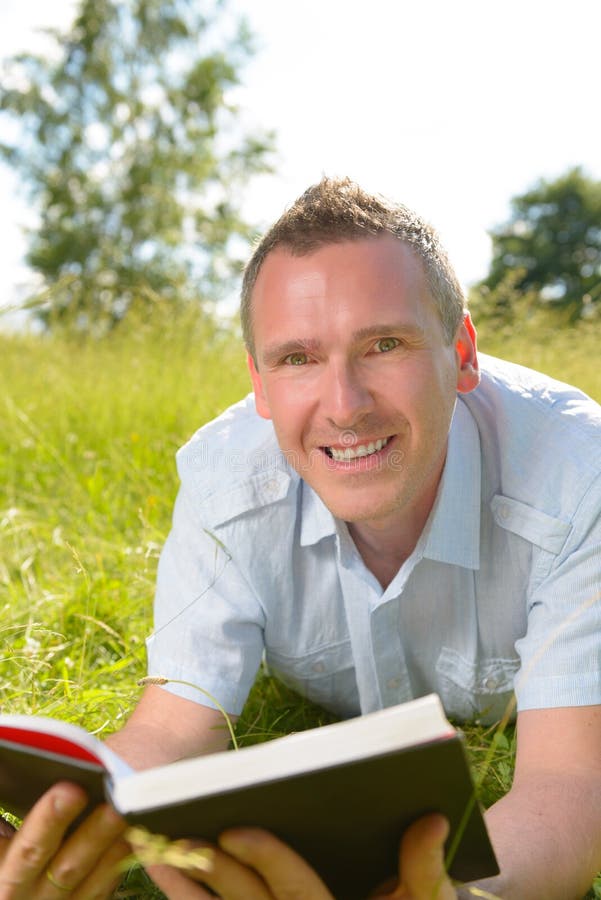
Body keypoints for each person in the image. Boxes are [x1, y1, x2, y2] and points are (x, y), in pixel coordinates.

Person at [1, 177, 600, 899]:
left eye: (383, 344)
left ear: (461, 351)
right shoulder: (226, 483)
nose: (343, 407)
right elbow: (171, 730)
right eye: (297, 359)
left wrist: (459, 897)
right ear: (257, 381)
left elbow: (569, 783)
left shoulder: (576, 477)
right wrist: (62, 841)